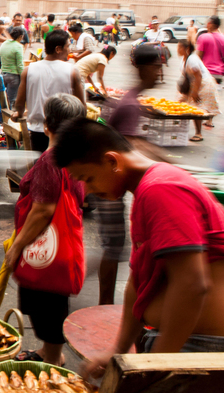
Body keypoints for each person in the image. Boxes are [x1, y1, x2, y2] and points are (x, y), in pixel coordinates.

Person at [53, 120, 224, 376]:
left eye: (87, 179)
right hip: (186, 343)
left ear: (112, 161)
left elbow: (191, 284)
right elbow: (139, 284)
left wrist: (154, 368)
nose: (88, 190)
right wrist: (119, 350)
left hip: (204, 348)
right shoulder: (148, 190)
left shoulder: (161, 189)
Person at [5, 94, 87, 366]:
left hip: (47, 244)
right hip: (63, 242)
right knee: (49, 300)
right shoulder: (76, 157)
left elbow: (43, 210)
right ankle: (48, 352)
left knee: (45, 303)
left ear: (47, 126)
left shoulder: (50, 161)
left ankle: (53, 359)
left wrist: (17, 246)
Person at [96, 45, 169, 306]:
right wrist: (167, 164)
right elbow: (133, 148)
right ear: (143, 68)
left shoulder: (131, 101)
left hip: (111, 181)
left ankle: (105, 300)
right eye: (156, 67)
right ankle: (104, 305)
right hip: (107, 183)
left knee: (114, 245)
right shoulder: (129, 104)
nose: (159, 73)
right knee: (114, 246)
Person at [13, 30, 86, 151]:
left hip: (37, 131)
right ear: (58, 49)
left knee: (40, 161)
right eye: (68, 46)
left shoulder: (28, 70)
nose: (69, 50)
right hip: (64, 132)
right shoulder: (72, 71)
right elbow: (81, 106)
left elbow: (19, 103)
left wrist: (19, 114)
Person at [176, 39, 220, 141]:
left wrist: (195, 92)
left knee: (196, 107)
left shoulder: (192, 59)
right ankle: (179, 127)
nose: (178, 50)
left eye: (180, 47)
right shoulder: (184, 59)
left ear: (187, 48)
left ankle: (198, 133)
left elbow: (198, 76)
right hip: (194, 84)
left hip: (203, 84)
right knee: (181, 103)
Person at [197, 15, 224, 85]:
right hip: (219, 74)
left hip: (206, 73)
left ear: (209, 24)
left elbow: (198, 56)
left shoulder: (203, 37)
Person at [1, 27, 26, 108]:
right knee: (12, 100)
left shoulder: (4, 43)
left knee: (4, 99)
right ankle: (10, 114)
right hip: (14, 76)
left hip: (3, 74)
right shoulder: (18, 46)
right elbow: (20, 65)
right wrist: (23, 77)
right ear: (21, 36)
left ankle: (3, 113)